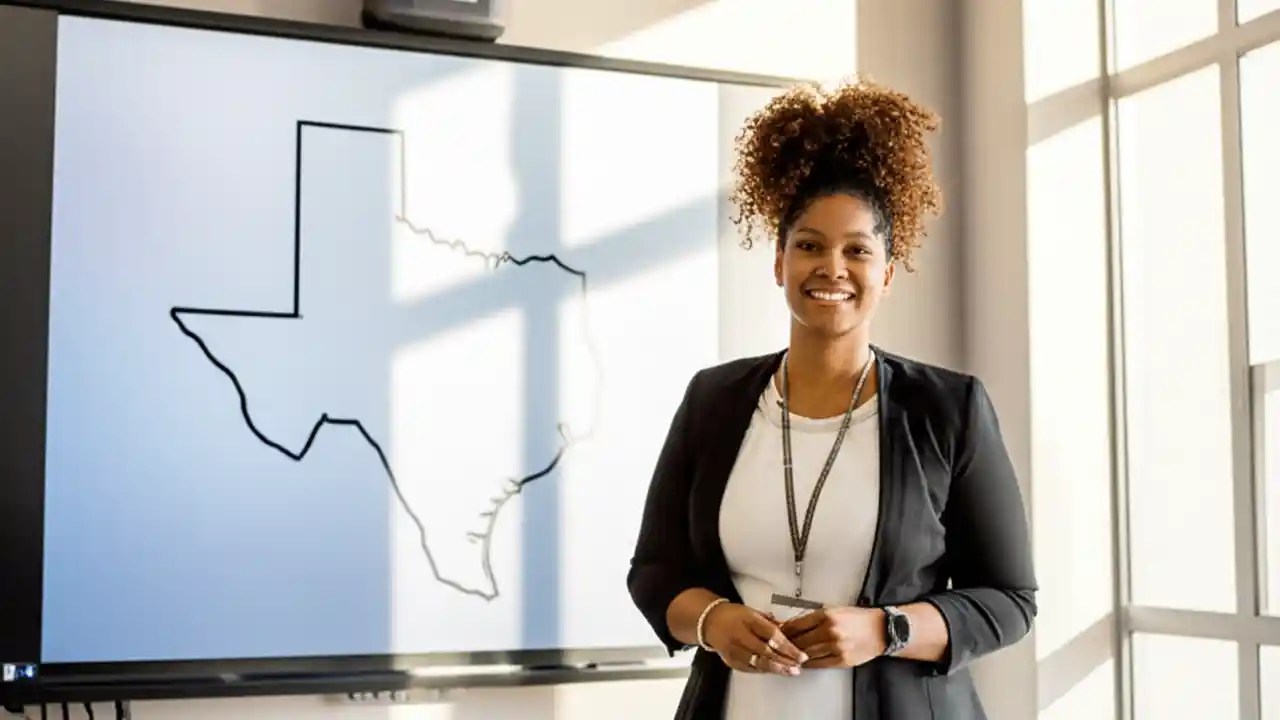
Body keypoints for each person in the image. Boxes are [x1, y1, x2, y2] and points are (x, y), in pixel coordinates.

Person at [626, 77, 1037, 719]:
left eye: (857, 251)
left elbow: (1010, 601)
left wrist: (887, 630)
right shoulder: (713, 400)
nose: (832, 268)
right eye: (809, 245)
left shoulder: (948, 409)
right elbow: (655, 571)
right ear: (779, 262)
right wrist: (714, 621)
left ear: (887, 273)